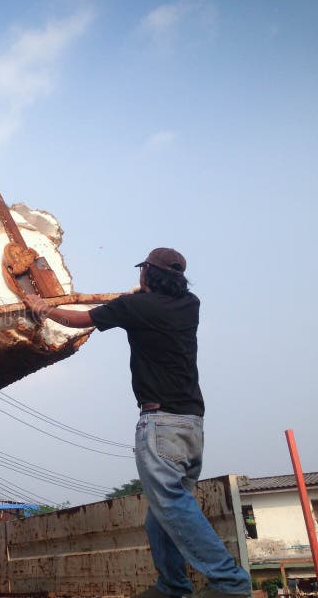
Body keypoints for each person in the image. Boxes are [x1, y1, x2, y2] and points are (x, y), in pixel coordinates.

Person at [25, 247, 251, 598]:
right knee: (161, 512)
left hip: (160, 423)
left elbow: (79, 320)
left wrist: (43, 308)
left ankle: (230, 581)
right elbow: (153, 300)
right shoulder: (190, 305)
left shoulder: (135, 308)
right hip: (191, 425)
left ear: (146, 273)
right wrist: (141, 294)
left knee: (172, 503)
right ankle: (172, 586)